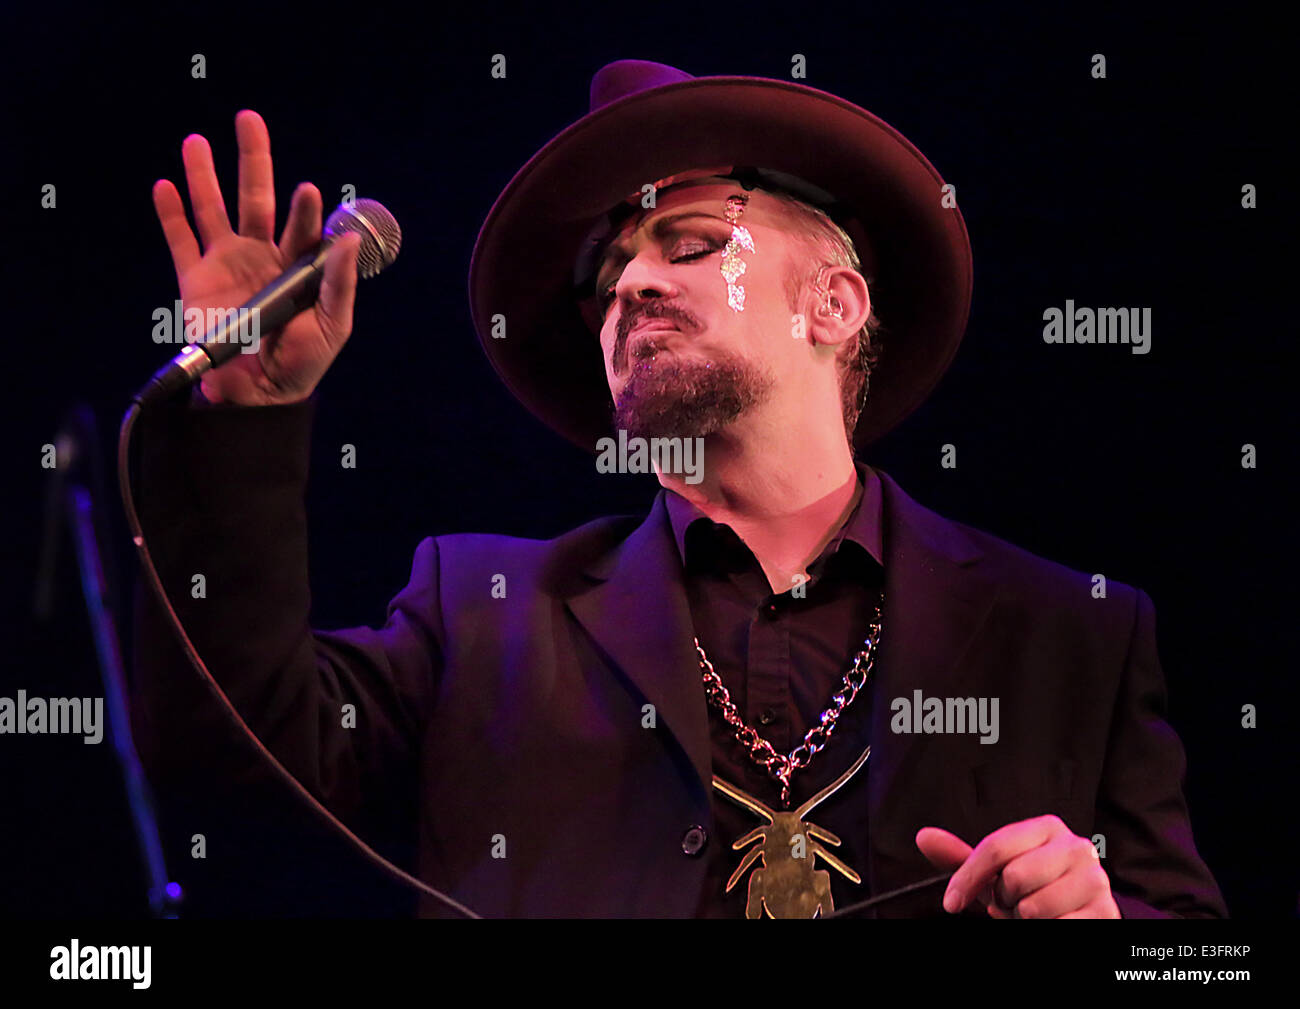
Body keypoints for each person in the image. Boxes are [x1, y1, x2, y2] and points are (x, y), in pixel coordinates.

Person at [130, 60, 1227, 918]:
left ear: (836, 305)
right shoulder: (481, 612)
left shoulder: (1065, 633)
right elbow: (227, 756)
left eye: (690, 243)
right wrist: (245, 419)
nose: (632, 282)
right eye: (608, 277)